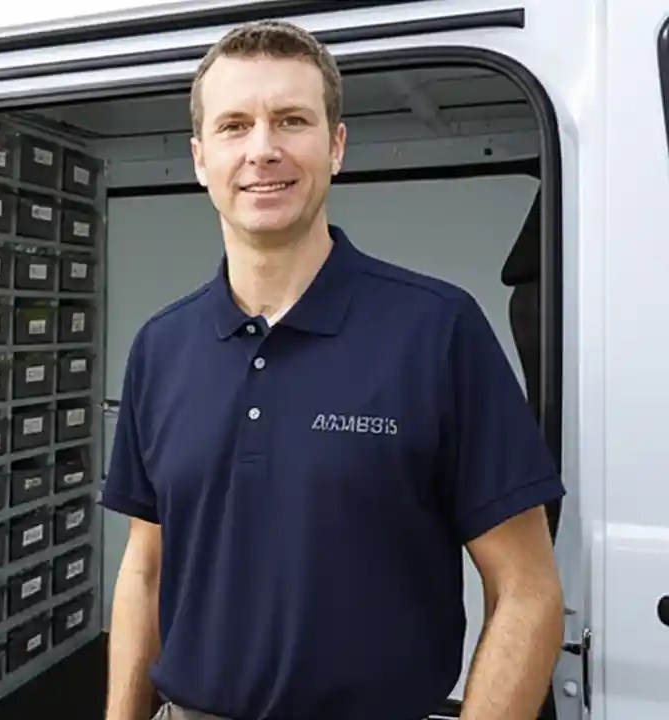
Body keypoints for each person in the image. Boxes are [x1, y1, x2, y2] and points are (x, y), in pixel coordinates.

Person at [99, 19, 566, 720]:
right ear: (200, 158)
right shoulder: (160, 348)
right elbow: (144, 568)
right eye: (234, 126)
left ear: (336, 144)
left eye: (291, 120)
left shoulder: (438, 331)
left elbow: (527, 590)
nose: (263, 149)